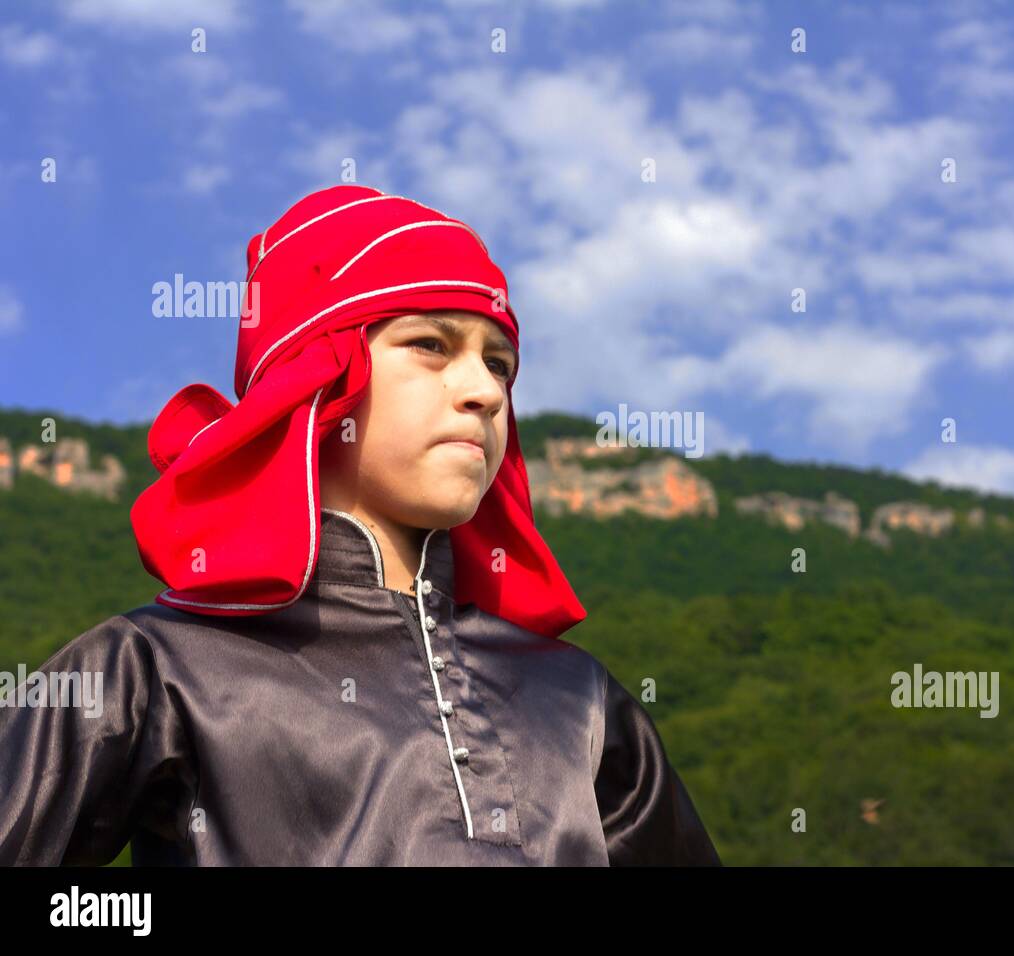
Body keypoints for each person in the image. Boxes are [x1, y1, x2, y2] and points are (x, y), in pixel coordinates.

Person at [0, 184, 722, 866]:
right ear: (318, 379)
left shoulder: (582, 701)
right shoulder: (153, 670)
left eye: (498, 363)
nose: (484, 391)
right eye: (431, 345)